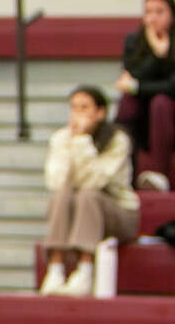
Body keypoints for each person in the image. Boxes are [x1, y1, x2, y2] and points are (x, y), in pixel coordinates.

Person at [39, 85, 139, 296]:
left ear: (100, 112)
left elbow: (96, 180)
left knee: (88, 195)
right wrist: (71, 144)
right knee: (63, 194)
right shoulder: (61, 138)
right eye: (74, 108)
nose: (78, 114)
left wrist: (83, 141)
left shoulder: (118, 140)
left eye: (84, 107)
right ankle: (55, 269)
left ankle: (85, 270)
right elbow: (56, 181)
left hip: (119, 213)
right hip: (77, 210)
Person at [116, 0, 174, 192]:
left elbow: (172, 86)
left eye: (159, 12)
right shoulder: (134, 41)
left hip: (168, 110)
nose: (152, 18)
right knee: (127, 103)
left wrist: (138, 87)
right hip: (143, 115)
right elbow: (129, 78)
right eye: (148, 12)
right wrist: (157, 55)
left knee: (161, 102)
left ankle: (159, 175)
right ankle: (125, 173)